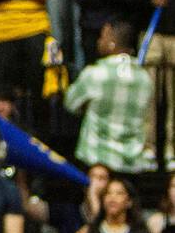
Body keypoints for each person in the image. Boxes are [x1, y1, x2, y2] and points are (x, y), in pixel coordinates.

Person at [64, 19, 154, 175]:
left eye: (102, 37)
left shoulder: (94, 74)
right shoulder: (144, 77)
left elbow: (70, 104)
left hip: (97, 159)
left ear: (112, 42)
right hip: (133, 162)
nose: (99, 41)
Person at [143, 0, 175, 168]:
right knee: (149, 95)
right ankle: (149, 148)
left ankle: (172, 149)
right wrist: (150, 0)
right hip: (152, 32)